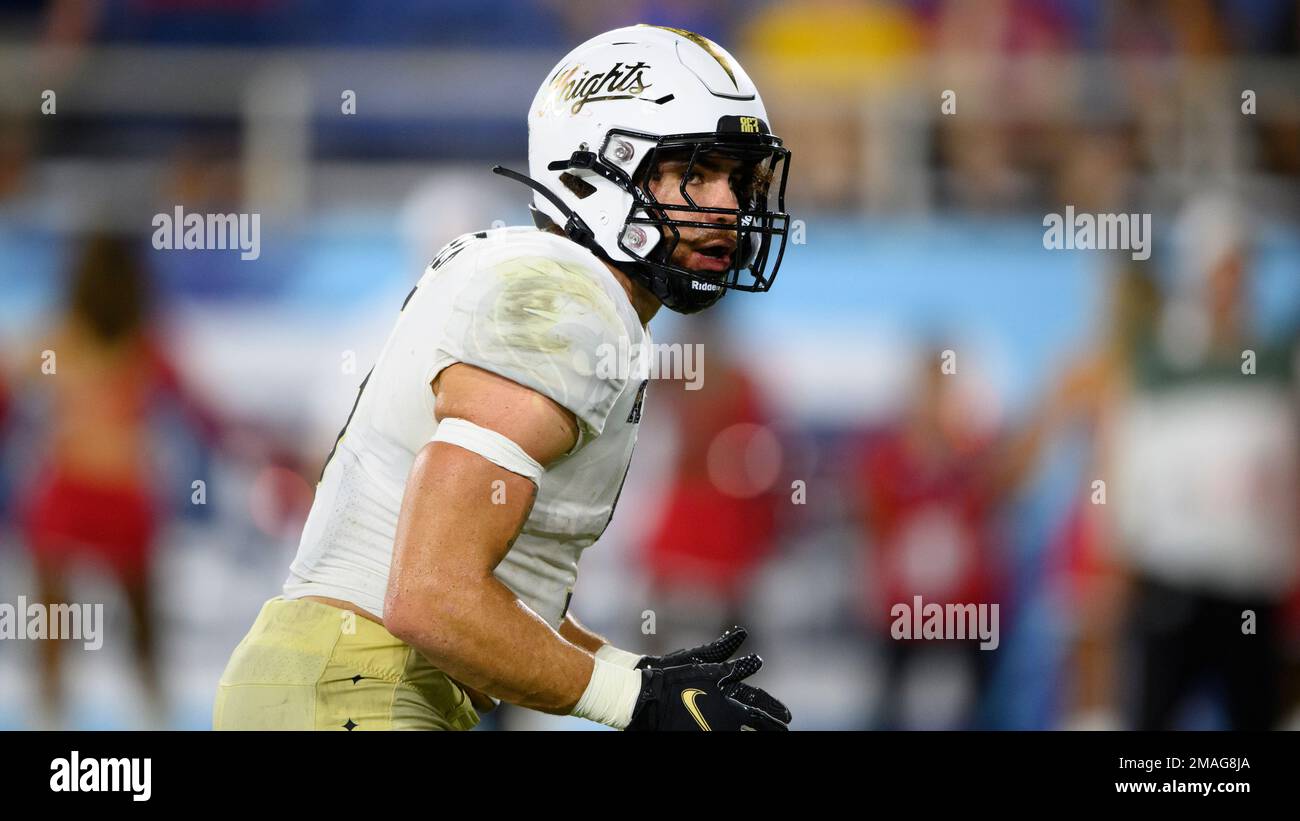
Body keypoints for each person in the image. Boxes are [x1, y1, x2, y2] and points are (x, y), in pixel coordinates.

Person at [214, 25, 795, 731]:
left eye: (740, 179)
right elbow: (431, 596)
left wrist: (634, 673)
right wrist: (632, 702)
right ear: (596, 171)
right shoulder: (566, 302)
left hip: (346, 681)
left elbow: (490, 588)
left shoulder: (561, 288)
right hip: (360, 688)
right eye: (696, 173)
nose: (729, 207)